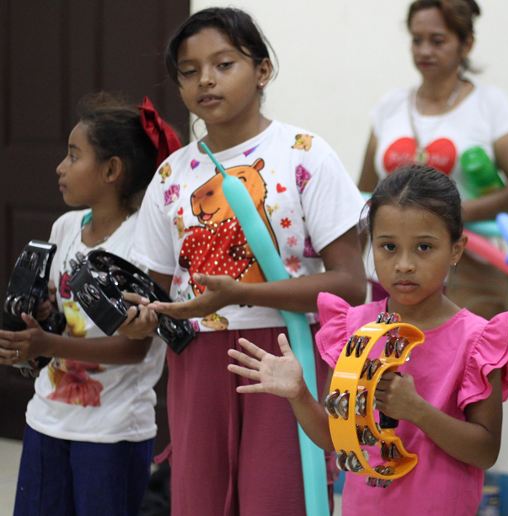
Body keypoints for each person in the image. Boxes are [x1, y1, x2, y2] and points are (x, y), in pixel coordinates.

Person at [116, 7, 366, 516]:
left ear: (262, 71)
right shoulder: (171, 176)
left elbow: (350, 285)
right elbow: (157, 295)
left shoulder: (304, 154)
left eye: (224, 64)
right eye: (189, 71)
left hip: (283, 353)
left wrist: (243, 294)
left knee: (280, 499)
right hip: (197, 360)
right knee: (199, 502)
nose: (205, 79)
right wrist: (142, 315)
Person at [228, 165, 508, 515]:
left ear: (456, 249)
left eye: (424, 248)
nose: (404, 264)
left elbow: (485, 450)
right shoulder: (353, 328)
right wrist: (299, 395)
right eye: (388, 247)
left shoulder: (476, 340)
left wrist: (417, 411)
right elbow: (335, 438)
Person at [0, 93, 178, 516]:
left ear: (112, 170)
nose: (60, 168)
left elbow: (135, 348)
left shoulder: (143, 243)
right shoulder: (65, 228)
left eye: (73, 156)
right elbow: (66, 322)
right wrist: (47, 318)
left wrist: (46, 345)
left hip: (112, 434)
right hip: (46, 419)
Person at [357, 0, 508, 318]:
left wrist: (446, 217)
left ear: (466, 43)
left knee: (469, 361)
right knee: (393, 363)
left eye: (437, 40)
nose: (424, 51)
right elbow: (365, 194)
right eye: (417, 40)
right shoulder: (390, 107)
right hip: (394, 270)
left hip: (470, 267)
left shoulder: (489, 104)